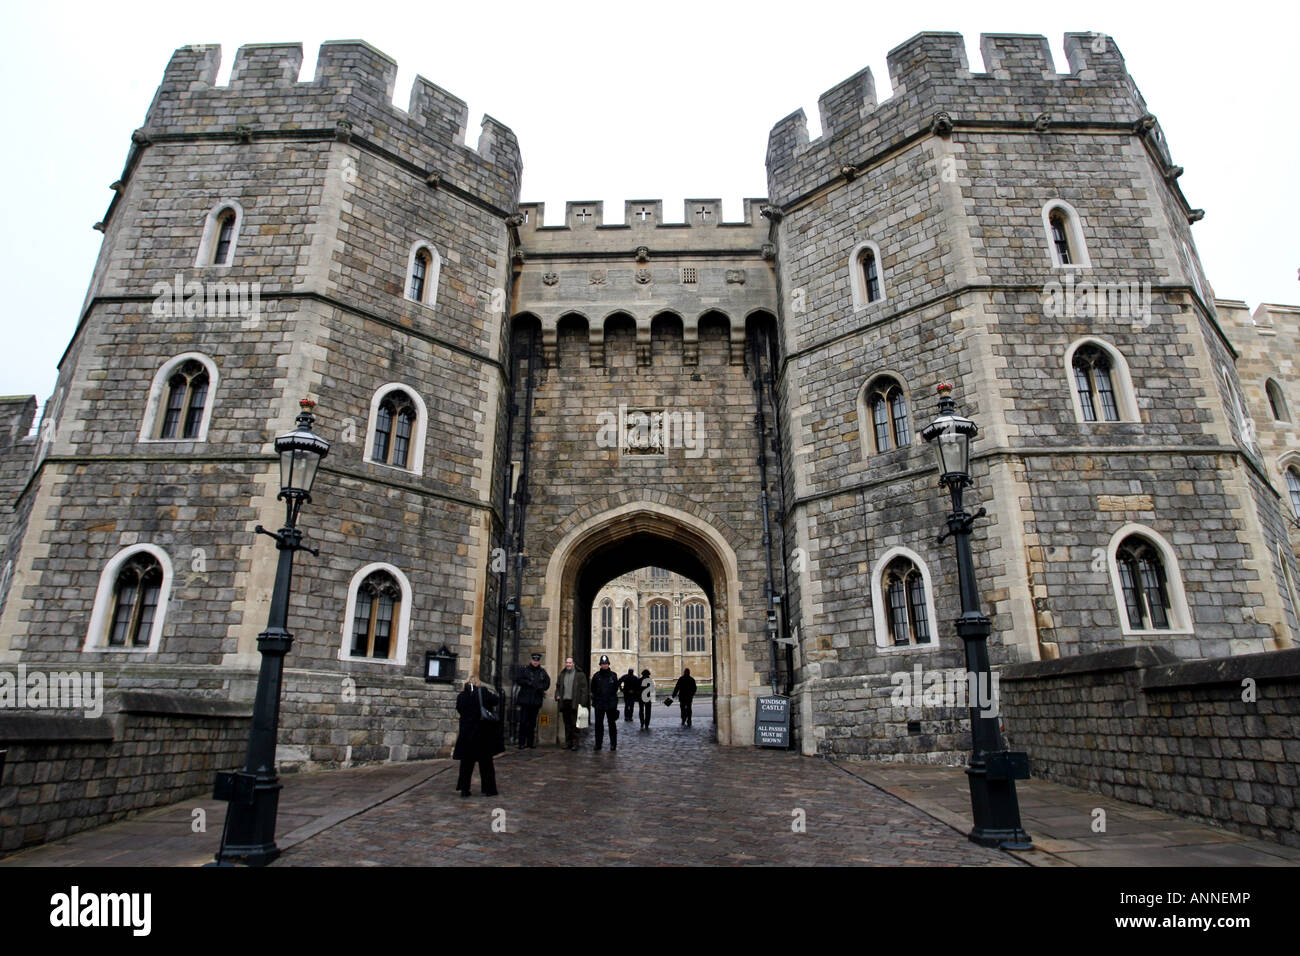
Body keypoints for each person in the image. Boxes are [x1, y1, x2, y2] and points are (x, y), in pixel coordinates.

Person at [453, 676, 502, 797]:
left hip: (467, 735)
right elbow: (496, 700)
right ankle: (489, 789)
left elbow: (460, 710)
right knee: (486, 765)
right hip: (482, 734)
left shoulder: (462, 696)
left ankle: (465, 790)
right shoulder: (483, 693)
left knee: (466, 765)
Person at [515, 653, 550, 749]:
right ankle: (521, 742)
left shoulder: (542, 672)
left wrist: (540, 687)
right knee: (523, 722)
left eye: (537, 661)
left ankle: (530, 742)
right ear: (531, 660)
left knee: (532, 723)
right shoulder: (524, 670)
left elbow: (547, 684)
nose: (535, 662)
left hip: (535, 701)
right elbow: (518, 679)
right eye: (534, 660)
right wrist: (527, 682)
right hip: (525, 700)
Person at [554, 656, 589, 750]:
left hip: (575, 702)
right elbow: (558, 686)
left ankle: (575, 743)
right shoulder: (562, 674)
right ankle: (568, 742)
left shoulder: (579, 675)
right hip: (565, 701)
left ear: (573, 664)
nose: (568, 664)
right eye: (567, 663)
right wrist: (557, 695)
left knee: (575, 724)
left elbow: (584, 690)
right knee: (567, 723)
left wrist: (582, 703)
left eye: (570, 663)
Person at [590, 654, 621, 751]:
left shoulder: (613, 676)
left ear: (608, 664)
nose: (604, 665)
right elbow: (593, 689)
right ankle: (598, 744)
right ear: (600, 665)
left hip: (610, 704)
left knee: (612, 725)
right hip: (599, 704)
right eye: (603, 664)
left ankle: (613, 744)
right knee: (598, 725)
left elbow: (616, 688)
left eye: (606, 664)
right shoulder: (596, 676)